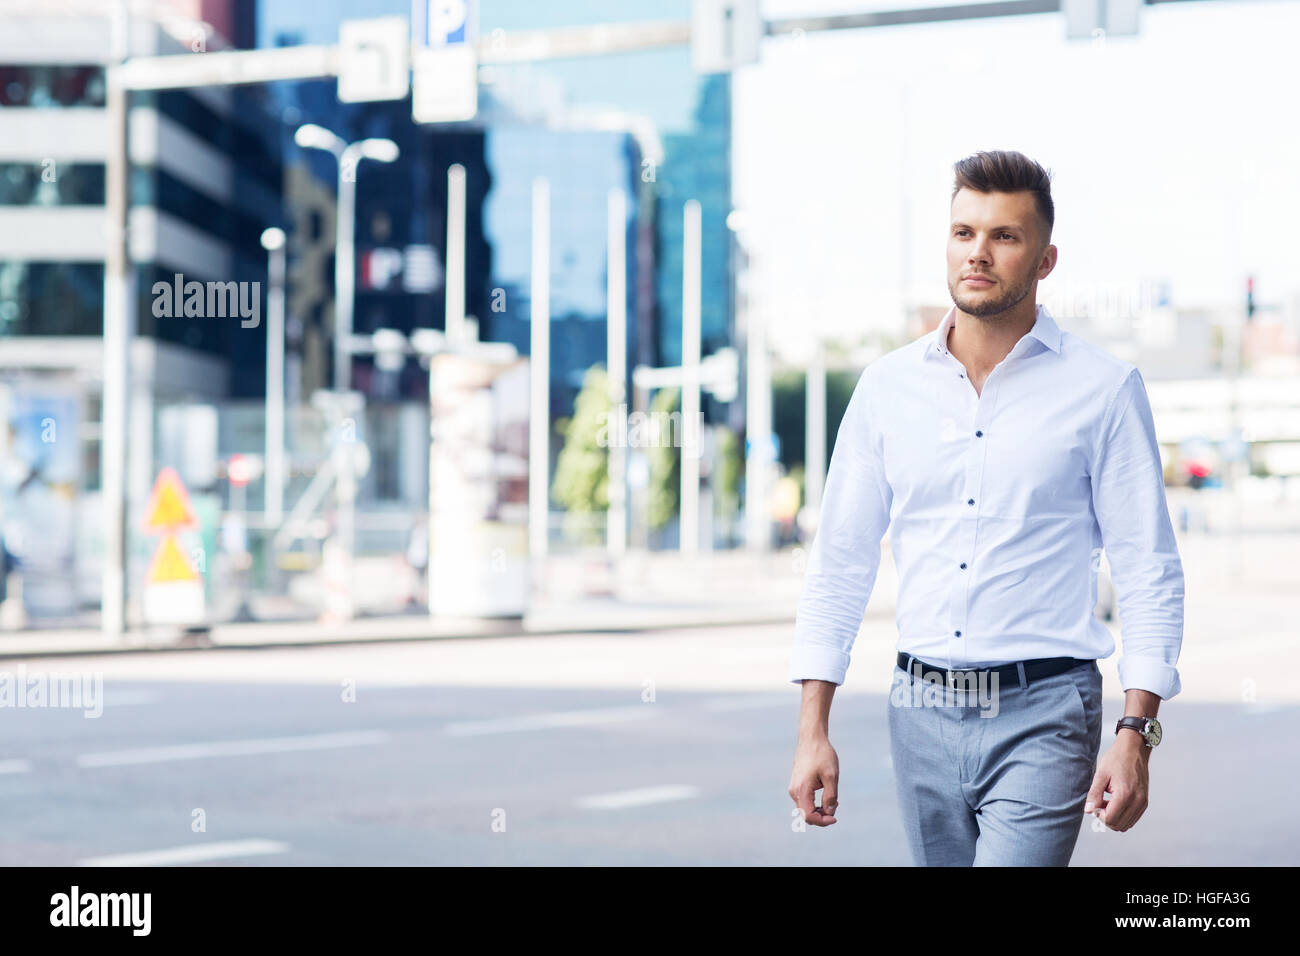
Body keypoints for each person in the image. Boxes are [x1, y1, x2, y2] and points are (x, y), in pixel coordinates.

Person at [787, 150, 1184, 866]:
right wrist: (812, 727)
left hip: (1045, 710)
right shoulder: (886, 390)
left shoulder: (1104, 389)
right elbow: (840, 560)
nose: (979, 253)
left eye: (1005, 236)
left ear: (1045, 258)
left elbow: (1146, 566)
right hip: (918, 709)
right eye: (964, 232)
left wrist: (1136, 732)